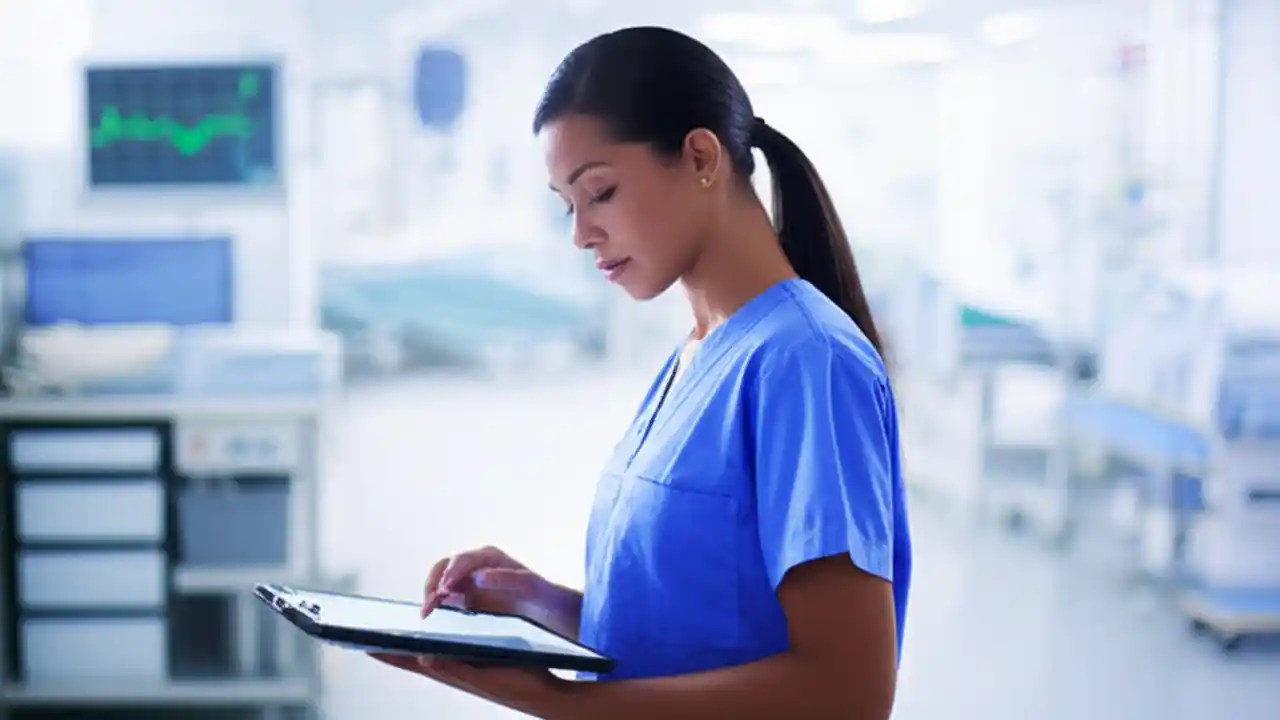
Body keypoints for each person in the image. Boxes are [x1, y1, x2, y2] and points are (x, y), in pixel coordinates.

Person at [371, 25, 912, 720]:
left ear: (699, 157)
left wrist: (562, 706)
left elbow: (847, 693)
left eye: (599, 192)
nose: (580, 233)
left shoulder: (806, 362)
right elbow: (697, 635)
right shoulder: (695, 357)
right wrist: (539, 603)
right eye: (568, 205)